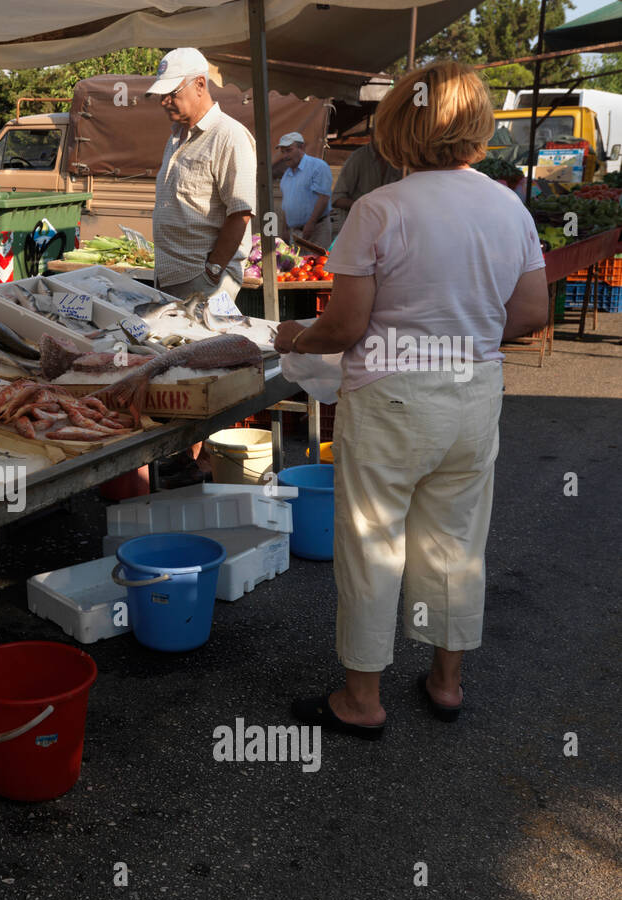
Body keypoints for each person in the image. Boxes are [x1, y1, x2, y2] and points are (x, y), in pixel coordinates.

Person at [272, 60, 547, 737]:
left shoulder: (379, 209)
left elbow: (346, 325)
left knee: (372, 543)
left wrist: (296, 337)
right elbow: (534, 309)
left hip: (392, 396)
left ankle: (362, 699)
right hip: (474, 393)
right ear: (477, 128)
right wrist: (473, 330)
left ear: (397, 128)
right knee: (454, 540)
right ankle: (445, 682)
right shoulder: (508, 207)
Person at [147, 47, 256, 302]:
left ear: (199, 84)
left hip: (203, 279)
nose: (164, 101)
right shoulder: (176, 136)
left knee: (201, 342)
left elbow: (241, 212)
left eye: (172, 93)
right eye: (161, 94)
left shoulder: (228, 135)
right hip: (173, 275)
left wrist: (214, 269)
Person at [330, 137, 402, 237]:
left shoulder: (397, 161)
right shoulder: (359, 157)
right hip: (354, 227)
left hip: (384, 228)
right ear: (374, 135)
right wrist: (365, 207)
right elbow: (336, 199)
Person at [276, 131, 333, 248]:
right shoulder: (287, 175)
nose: (285, 156)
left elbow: (323, 197)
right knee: (297, 264)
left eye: (289, 150)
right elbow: (287, 204)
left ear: (301, 148)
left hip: (317, 230)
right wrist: (285, 229)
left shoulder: (318, 166)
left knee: (317, 264)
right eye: (283, 152)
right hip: (296, 233)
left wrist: (311, 223)